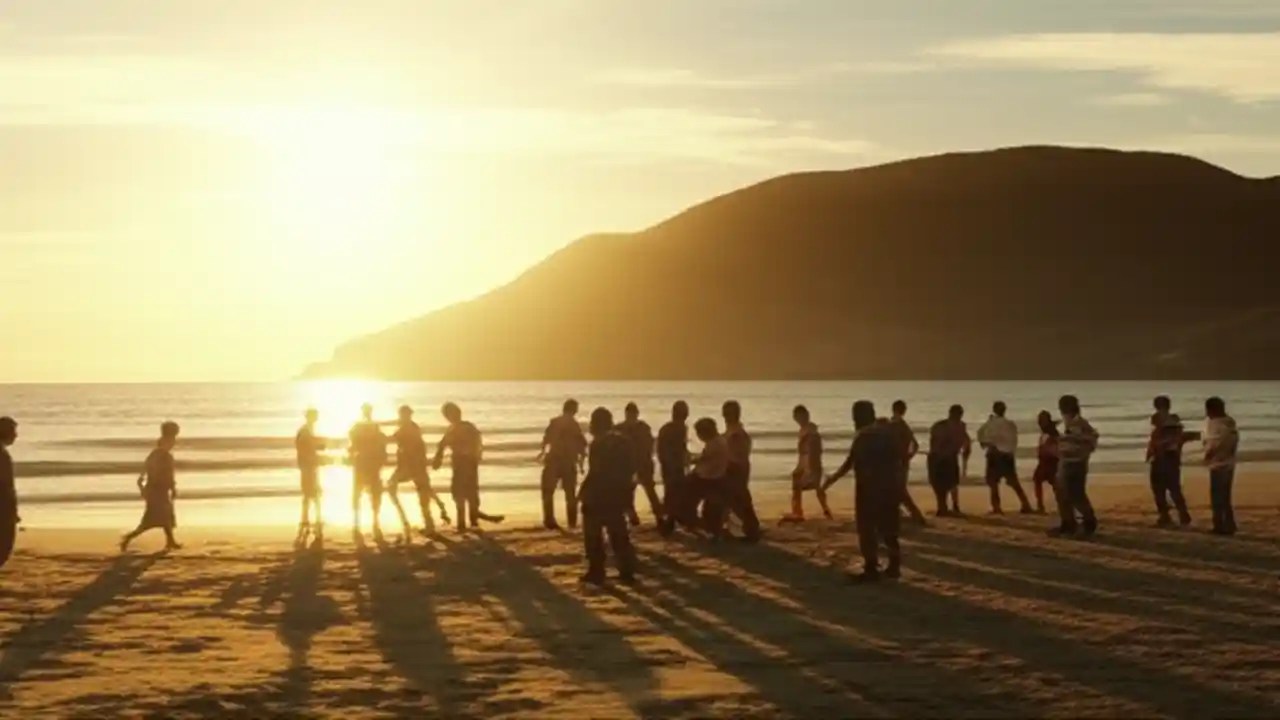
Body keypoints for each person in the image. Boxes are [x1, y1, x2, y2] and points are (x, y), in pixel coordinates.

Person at [823, 401, 901, 583]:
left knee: (866, 529)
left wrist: (831, 481)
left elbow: (849, 464)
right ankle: (895, 566)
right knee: (889, 528)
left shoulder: (862, 438)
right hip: (890, 486)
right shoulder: (887, 434)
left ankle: (871, 567)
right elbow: (899, 459)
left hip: (868, 489)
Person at [579, 407, 638, 585]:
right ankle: (626, 570)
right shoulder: (624, 442)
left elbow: (596, 471)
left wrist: (583, 492)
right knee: (618, 533)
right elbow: (631, 468)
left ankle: (597, 571)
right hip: (618, 492)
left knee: (593, 534)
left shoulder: (598, 444)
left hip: (599, 494)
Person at [433, 402, 504, 531]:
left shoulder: (457, 428)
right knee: (470, 493)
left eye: (447, 415)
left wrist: (438, 458)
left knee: (460, 493)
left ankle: (465, 523)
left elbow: (442, 445)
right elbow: (443, 444)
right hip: (468, 462)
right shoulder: (465, 427)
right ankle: (472, 521)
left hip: (463, 463)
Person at [387, 405, 450, 541]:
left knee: (421, 493)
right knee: (423, 492)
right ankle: (429, 520)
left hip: (410, 466)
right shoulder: (413, 428)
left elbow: (395, 440)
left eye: (404, 415)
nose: (403, 418)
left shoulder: (406, 429)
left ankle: (412, 522)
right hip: (414, 466)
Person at [121, 421, 182, 552]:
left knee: (165, 516)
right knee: (152, 519)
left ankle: (170, 541)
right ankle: (128, 538)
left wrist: (143, 481)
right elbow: (167, 474)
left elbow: (147, 467)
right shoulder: (164, 455)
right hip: (158, 490)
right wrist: (172, 487)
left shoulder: (156, 453)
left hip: (155, 489)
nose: (173, 444)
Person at [1050, 395, 1100, 538]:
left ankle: (1088, 522)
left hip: (1075, 463)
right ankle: (1068, 523)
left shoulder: (1078, 424)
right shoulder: (1069, 423)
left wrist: (1061, 441)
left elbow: (1086, 442)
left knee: (1075, 494)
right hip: (1067, 462)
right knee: (1062, 494)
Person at [714, 401, 761, 542]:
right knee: (735, 501)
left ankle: (749, 529)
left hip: (736, 470)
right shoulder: (733, 432)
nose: (725, 416)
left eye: (727, 413)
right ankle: (739, 528)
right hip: (736, 469)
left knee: (737, 501)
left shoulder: (737, 434)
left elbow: (736, 456)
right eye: (725, 412)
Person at [976, 401, 1034, 515]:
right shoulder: (1010, 424)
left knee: (993, 483)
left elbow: (981, 434)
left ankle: (997, 508)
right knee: (1014, 482)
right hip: (1007, 455)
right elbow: (1013, 440)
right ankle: (1025, 504)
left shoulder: (991, 423)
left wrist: (985, 443)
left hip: (994, 454)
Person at [539, 399, 587, 530]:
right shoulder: (574, 425)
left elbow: (546, 439)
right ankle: (571, 521)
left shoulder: (555, 422)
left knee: (548, 491)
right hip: (567, 461)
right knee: (570, 494)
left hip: (554, 459)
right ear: (574, 410)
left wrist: (542, 452)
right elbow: (582, 444)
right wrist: (581, 461)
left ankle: (549, 519)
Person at [780, 405, 832, 523]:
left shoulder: (810, 432)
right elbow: (804, 453)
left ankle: (798, 513)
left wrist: (808, 468)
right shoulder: (806, 430)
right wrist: (800, 467)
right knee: (816, 489)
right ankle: (823, 510)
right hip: (808, 466)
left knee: (800, 487)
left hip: (811, 466)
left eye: (799, 416)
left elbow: (812, 452)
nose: (798, 419)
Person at [1147, 396, 1193, 528]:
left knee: (1158, 488)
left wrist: (1152, 452)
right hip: (1172, 458)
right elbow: (1178, 441)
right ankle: (1182, 513)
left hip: (1162, 458)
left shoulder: (1160, 419)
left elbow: (1156, 442)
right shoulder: (1176, 423)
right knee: (1174, 487)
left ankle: (1165, 515)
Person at [617, 403, 663, 527]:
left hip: (641, 463)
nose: (631, 416)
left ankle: (658, 516)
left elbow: (649, 446)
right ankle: (634, 518)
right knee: (630, 493)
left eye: (632, 414)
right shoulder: (621, 428)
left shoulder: (640, 428)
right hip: (630, 465)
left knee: (648, 491)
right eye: (630, 414)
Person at [349, 404, 388, 540]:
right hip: (370, 463)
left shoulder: (359, 427)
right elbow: (382, 444)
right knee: (372, 495)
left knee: (360, 494)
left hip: (364, 463)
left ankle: (359, 525)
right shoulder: (372, 427)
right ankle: (373, 525)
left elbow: (352, 445)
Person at [686, 417, 730, 539]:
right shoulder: (718, 441)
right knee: (709, 507)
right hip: (715, 477)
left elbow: (704, 460)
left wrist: (691, 459)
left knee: (692, 500)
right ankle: (707, 527)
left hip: (710, 479)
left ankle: (696, 524)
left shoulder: (715, 444)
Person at [1203, 397, 1240, 536]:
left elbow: (1217, 442)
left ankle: (1220, 525)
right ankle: (1228, 524)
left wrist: (1209, 453)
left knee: (1218, 496)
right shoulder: (1229, 422)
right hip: (1227, 463)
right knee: (1224, 496)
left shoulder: (1220, 424)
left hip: (1220, 464)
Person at [656, 401, 694, 536]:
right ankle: (668, 522)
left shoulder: (676, 428)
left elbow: (679, 448)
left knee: (673, 494)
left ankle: (671, 520)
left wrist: (687, 458)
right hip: (671, 465)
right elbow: (665, 449)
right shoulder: (676, 428)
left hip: (673, 465)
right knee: (673, 494)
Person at [888, 400, 928, 526]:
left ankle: (916, 516)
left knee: (899, 490)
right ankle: (899, 513)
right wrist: (908, 456)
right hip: (902, 461)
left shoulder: (892, 426)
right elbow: (915, 445)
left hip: (894, 461)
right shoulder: (903, 426)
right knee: (898, 489)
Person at [927, 405, 971, 516]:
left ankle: (944, 507)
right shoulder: (960, 427)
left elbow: (933, 443)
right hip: (948, 457)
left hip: (940, 457)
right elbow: (967, 443)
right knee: (951, 483)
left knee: (940, 484)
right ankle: (952, 506)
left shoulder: (940, 425)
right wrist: (965, 458)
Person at [294, 408, 326, 546]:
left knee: (310, 495)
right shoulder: (306, 431)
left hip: (308, 466)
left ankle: (308, 521)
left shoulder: (306, 430)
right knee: (312, 494)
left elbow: (306, 447)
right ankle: (313, 520)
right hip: (308, 467)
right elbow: (305, 448)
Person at [1031, 411, 1059, 514]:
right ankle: (1041, 505)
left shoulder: (1051, 433)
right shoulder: (1048, 431)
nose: (1039, 423)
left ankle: (1041, 506)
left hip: (1049, 461)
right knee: (1051, 484)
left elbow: (1054, 448)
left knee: (1054, 484)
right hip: (1046, 461)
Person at [1, 417, 20, 552]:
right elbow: (6, 486)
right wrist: (11, 511)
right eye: (13, 431)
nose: (16, 435)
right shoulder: (2, 456)